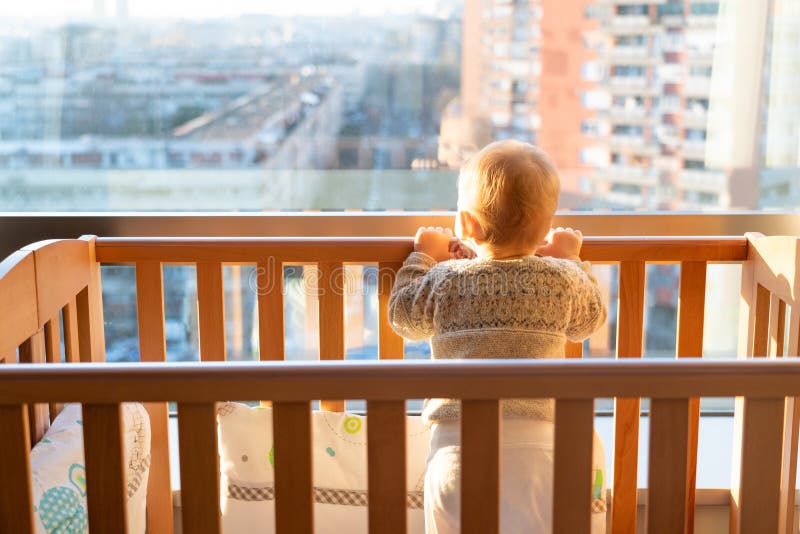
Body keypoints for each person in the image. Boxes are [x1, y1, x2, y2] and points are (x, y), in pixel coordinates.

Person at [388, 139, 607, 533]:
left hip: (458, 452)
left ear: (467, 225)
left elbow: (403, 319)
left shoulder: (445, 279)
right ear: (545, 228)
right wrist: (571, 258)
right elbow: (590, 320)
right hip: (543, 453)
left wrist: (422, 255)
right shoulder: (560, 278)